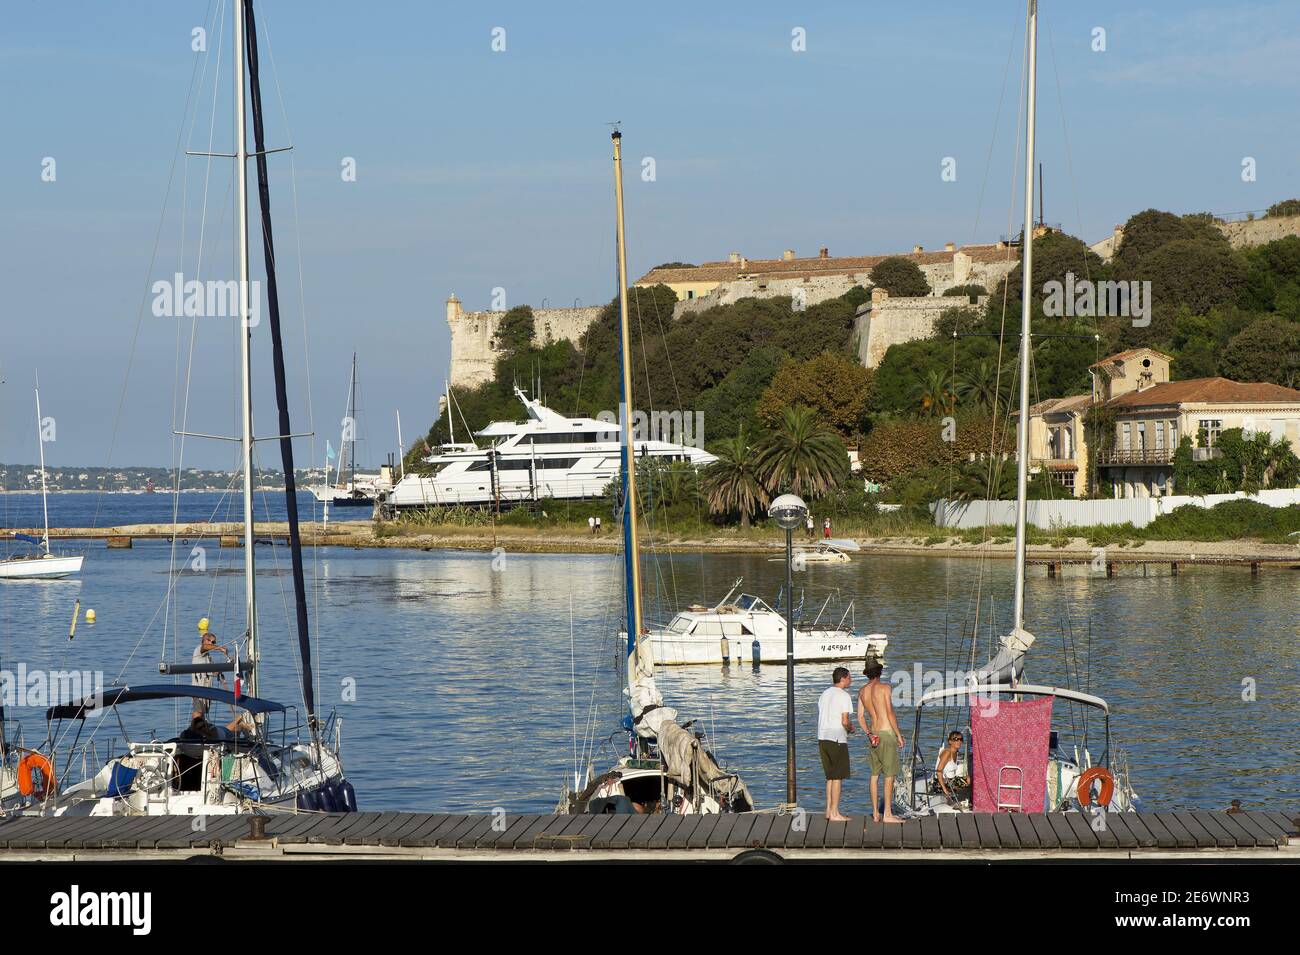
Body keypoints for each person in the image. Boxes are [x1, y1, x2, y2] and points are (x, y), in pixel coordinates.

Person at [857, 659, 904, 823]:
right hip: (886, 733)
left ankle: (876, 813)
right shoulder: (884, 688)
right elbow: (890, 712)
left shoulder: (862, 691)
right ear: (879, 672)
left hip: (874, 735)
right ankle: (888, 814)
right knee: (889, 775)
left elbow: (860, 717)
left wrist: (869, 734)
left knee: (874, 775)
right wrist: (898, 734)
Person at [817, 667, 855, 822]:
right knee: (838, 777)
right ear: (843, 678)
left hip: (822, 736)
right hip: (837, 738)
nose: (851, 680)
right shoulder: (844, 696)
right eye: (849, 677)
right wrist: (851, 728)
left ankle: (828, 810)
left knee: (830, 777)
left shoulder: (824, 694)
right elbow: (844, 721)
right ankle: (835, 813)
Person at [191, 619, 231, 715]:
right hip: (198, 691)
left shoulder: (208, 657)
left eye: (215, 642)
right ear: (205, 640)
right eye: (212, 642)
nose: (213, 645)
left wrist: (223, 668)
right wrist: (220, 648)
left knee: (204, 716)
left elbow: (213, 673)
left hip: (206, 692)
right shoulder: (199, 650)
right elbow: (205, 647)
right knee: (198, 714)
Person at [935, 731, 971, 806]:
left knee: (971, 778)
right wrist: (945, 789)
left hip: (951, 780)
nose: (959, 741)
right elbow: (938, 771)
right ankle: (962, 801)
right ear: (950, 741)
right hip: (943, 782)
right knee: (970, 782)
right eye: (956, 739)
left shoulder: (956, 752)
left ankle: (969, 800)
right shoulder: (947, 752)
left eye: (961, 739)